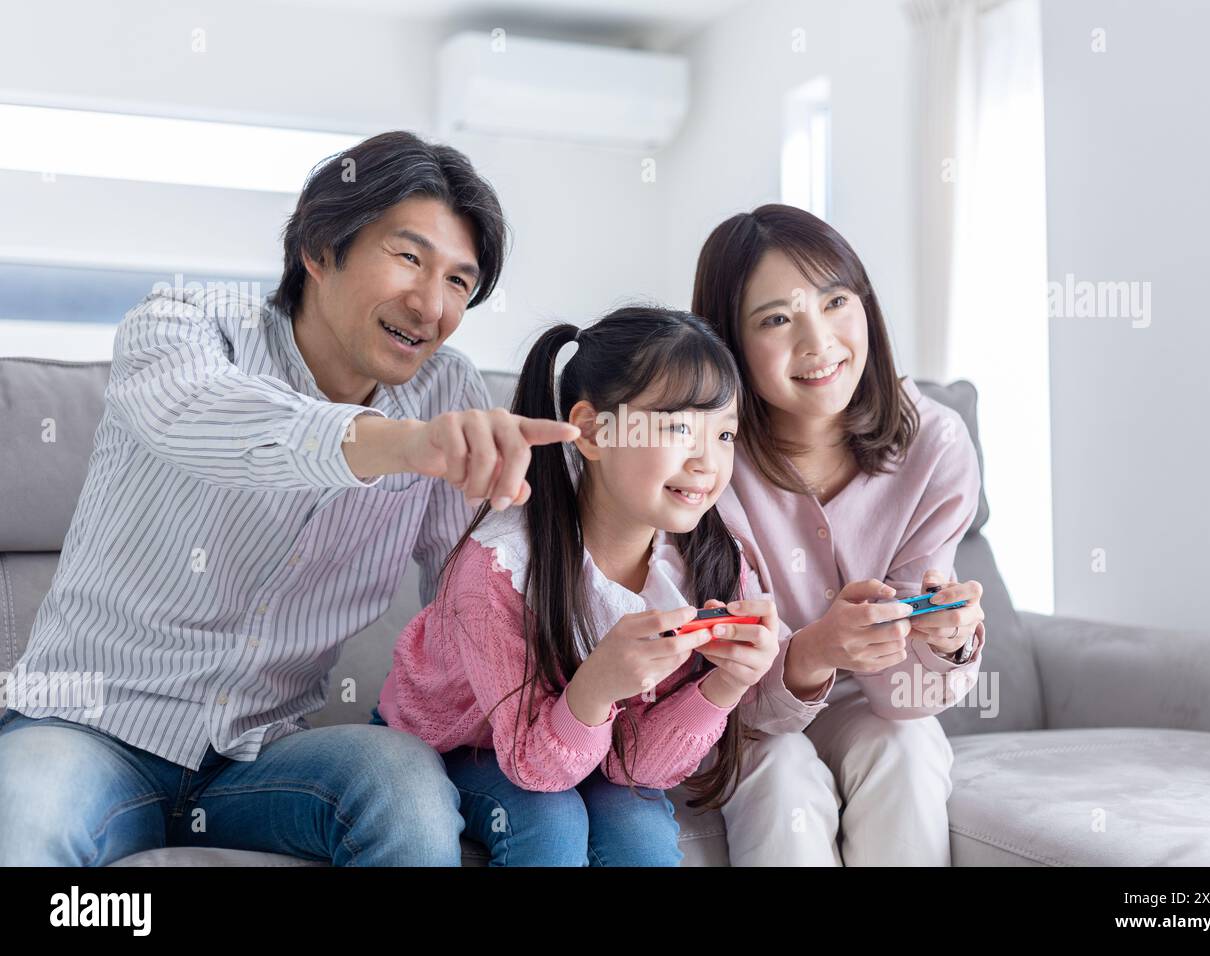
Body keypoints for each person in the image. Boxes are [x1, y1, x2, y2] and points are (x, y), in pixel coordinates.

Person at [0, 131, 576, 866]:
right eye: (409, 257)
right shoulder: (184, 326)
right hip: (86, 728)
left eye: (460, 283)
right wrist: (398, 443)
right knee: (21, 809)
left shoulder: (447, 389)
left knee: (403, 785)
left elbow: (467, 598)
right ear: (319, 246)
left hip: (258, 761)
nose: (431, 305)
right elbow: (212, 421)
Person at [373, 306, 801, 865]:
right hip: (463, 743)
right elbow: (532, 763)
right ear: (596, 431)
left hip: (590, 745)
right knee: (550, 824)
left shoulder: (714, 564)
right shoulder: (497, 568)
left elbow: (638, 768)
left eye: (724, 434)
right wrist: (596, 689)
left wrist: (722, 687)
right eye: (678, 428)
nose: (707, 462)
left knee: (641, 839)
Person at [690, 204, 989, 866]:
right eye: (776, 319)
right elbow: (718, 687)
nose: (819, 342)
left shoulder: (935, 443)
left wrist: (945, 639)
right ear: (728, 342)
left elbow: (903, 700)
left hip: (871, 707)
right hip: (739, 714)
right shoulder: (703, 455)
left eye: (835, 301)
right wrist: (811, 653)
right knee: (778, 771)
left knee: (907, 749)